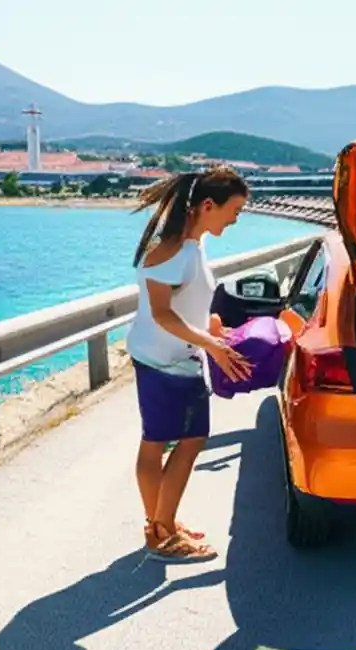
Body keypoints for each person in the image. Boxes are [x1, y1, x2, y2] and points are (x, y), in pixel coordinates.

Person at [125, 165, 252, 563]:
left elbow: (185, 303)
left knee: (181, 438)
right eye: (235, 209)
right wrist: (211, 344)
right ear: (208, 205)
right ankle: (161, 533)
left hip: (177, 355)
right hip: (162, 360)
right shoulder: (171, 250)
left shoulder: (192, 246)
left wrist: (211, 329)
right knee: (165, 441)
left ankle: (161, 523)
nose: (236, 218)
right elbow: (162, 314)